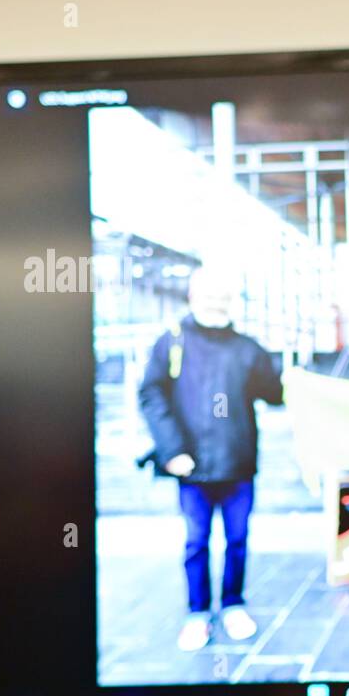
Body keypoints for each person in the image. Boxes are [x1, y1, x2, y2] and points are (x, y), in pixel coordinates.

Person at [138, 266, 285, 652]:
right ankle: (198, 612)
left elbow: (274, 393)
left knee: (237, 539)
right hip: (191, 466)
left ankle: (233, 604)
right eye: (208, 296)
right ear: (192, 297)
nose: (215, 303)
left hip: (237, 464)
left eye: (222, 296)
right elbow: (151, 396)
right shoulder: (171, 343)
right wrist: (172, 452)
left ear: (231, 301)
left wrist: (288, 375)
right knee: (196, 542)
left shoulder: (248, 348)